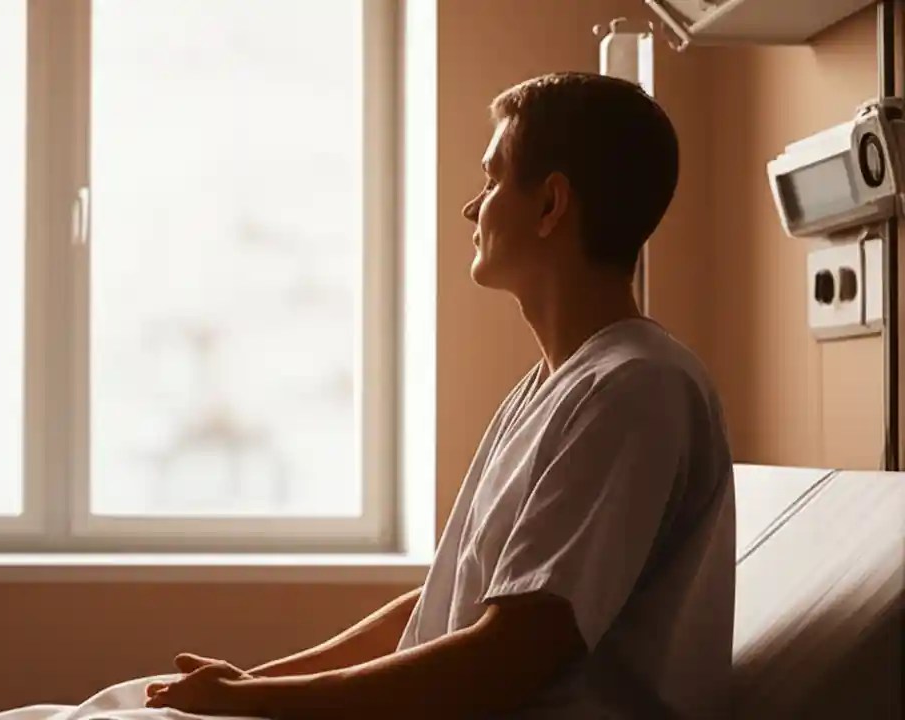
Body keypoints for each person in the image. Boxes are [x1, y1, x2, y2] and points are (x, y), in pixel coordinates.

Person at [144, 72, 736, 719]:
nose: (471, 208)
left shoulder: (636, 390)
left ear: (549, 206)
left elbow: (503, 659)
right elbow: (441, 606)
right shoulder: (551, 388)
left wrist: (255, 704)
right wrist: (248, 686)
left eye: (491, 180)